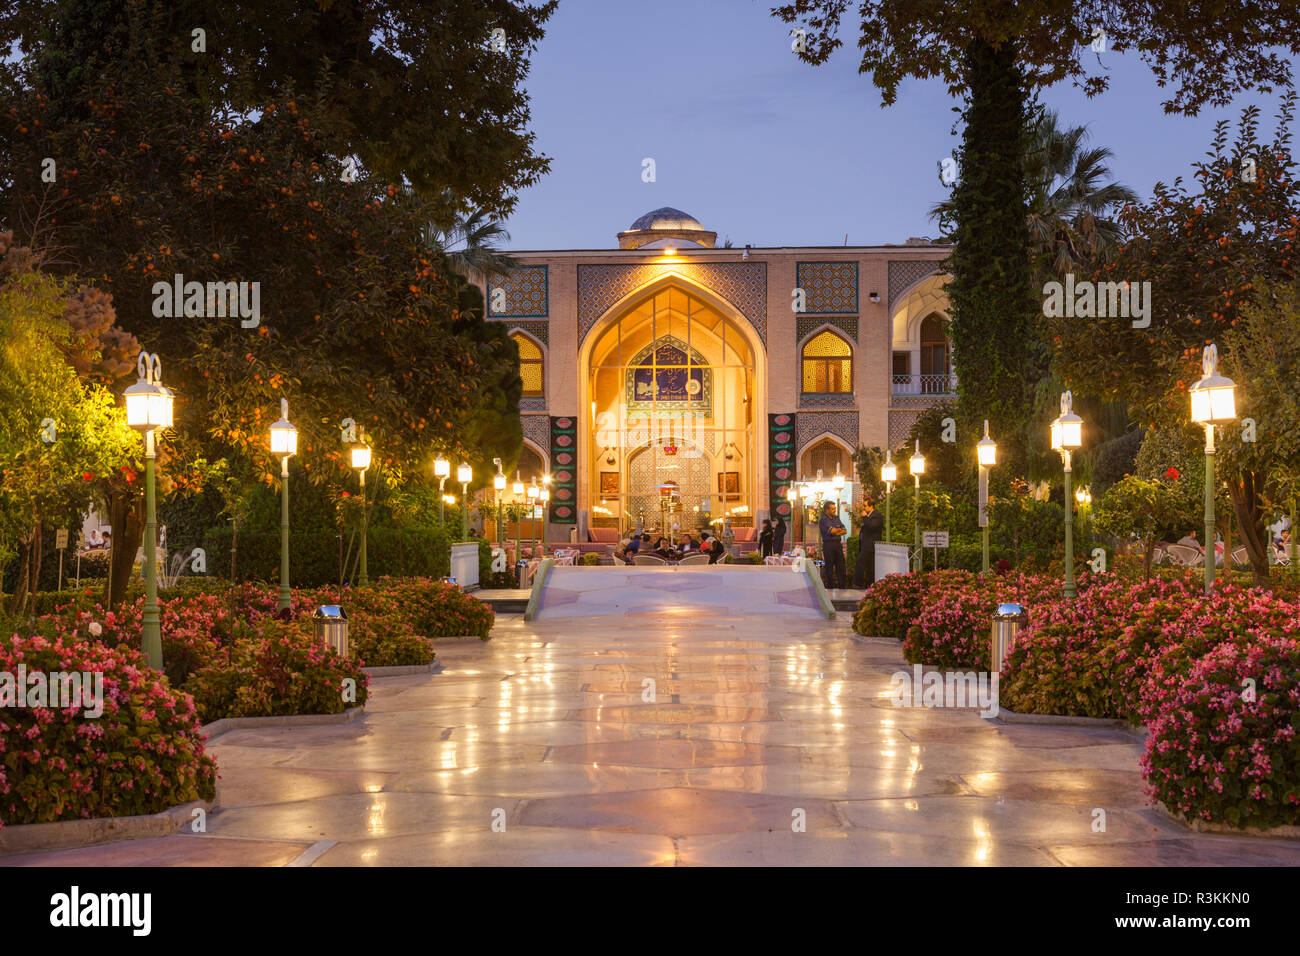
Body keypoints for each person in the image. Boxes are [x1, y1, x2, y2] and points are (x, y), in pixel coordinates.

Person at [854, 498, 884, 589]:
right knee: (869, 567)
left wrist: (864, 517)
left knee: (860, 562)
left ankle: (857, 584)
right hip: (866, 545)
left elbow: (871, 527)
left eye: (865, 506)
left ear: (871, 506)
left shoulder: (877, 515)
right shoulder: (869, 515)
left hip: (870, 545)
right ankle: (870, 585)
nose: (863, 508)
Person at [818, 501, 848, 590]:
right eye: (833, 509)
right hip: (828, 545)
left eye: (835, 508)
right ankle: (830, 588)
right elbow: (831, 531)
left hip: (838, 545)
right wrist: (838, 531)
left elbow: (845, 530)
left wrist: (836, 530)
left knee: (841, 566)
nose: (835, 510)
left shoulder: (836, 518)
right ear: (827, 510)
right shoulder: (823, 519)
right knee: (829, 568)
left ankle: (842, 587)